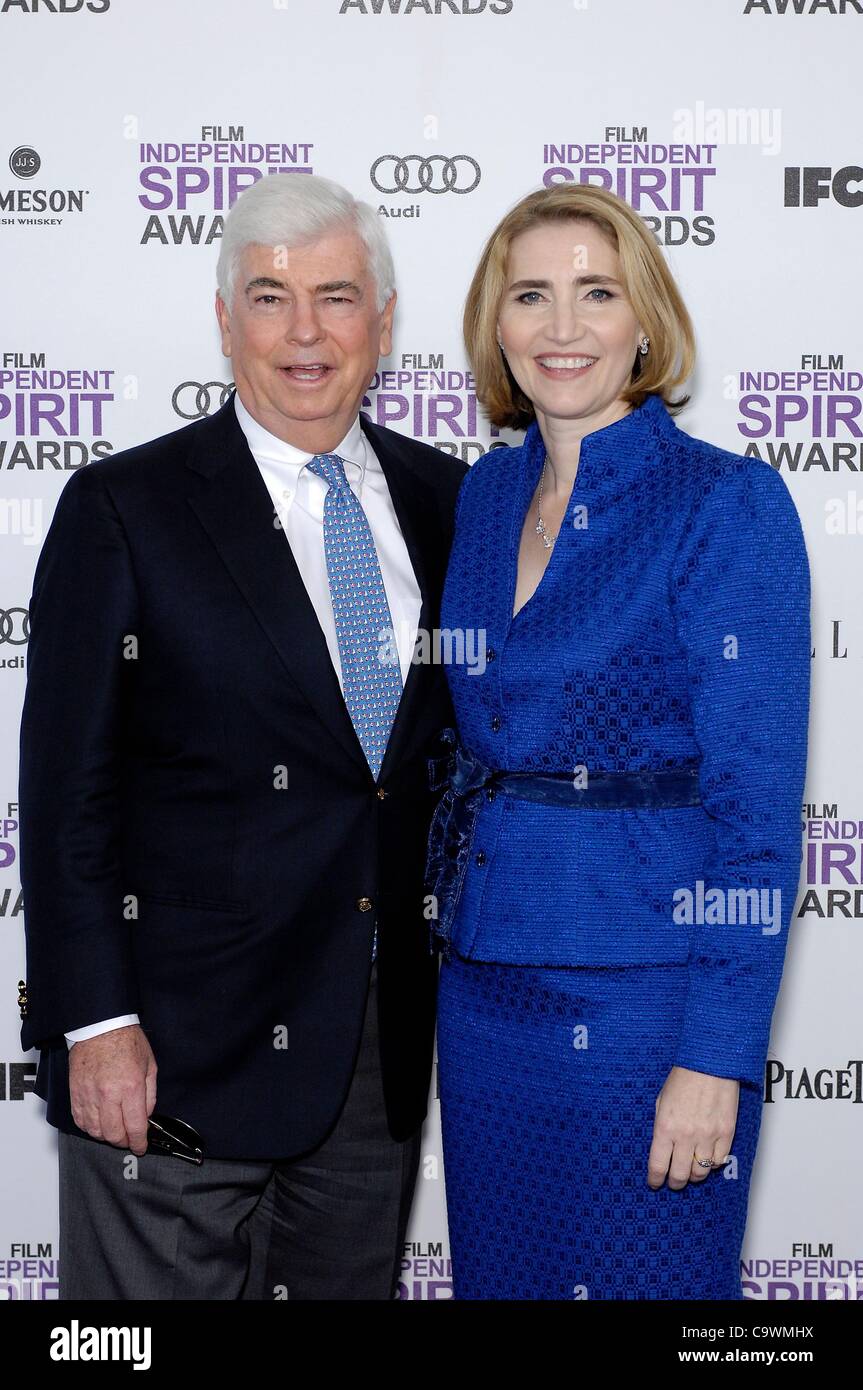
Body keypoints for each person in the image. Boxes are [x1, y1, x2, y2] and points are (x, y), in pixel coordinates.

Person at [17, 172, 465, 1300]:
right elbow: (67, 790)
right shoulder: (125, 507)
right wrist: (96, 1022)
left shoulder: (452, 501)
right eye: (268, 297)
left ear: (385, 319)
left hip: (372, 1056)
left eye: (335, 296)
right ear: (224, 320)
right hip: (170, 1048)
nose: (304, 332)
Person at [426, 183, 811, 1300]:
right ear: (493, 325)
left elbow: (753, 815)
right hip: (484, 989)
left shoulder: (723, 504)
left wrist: (715, 1055)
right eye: (529, 295)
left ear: (644, 320)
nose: (560, 328)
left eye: (594, 294)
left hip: (647, 1001)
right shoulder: (488, 496)